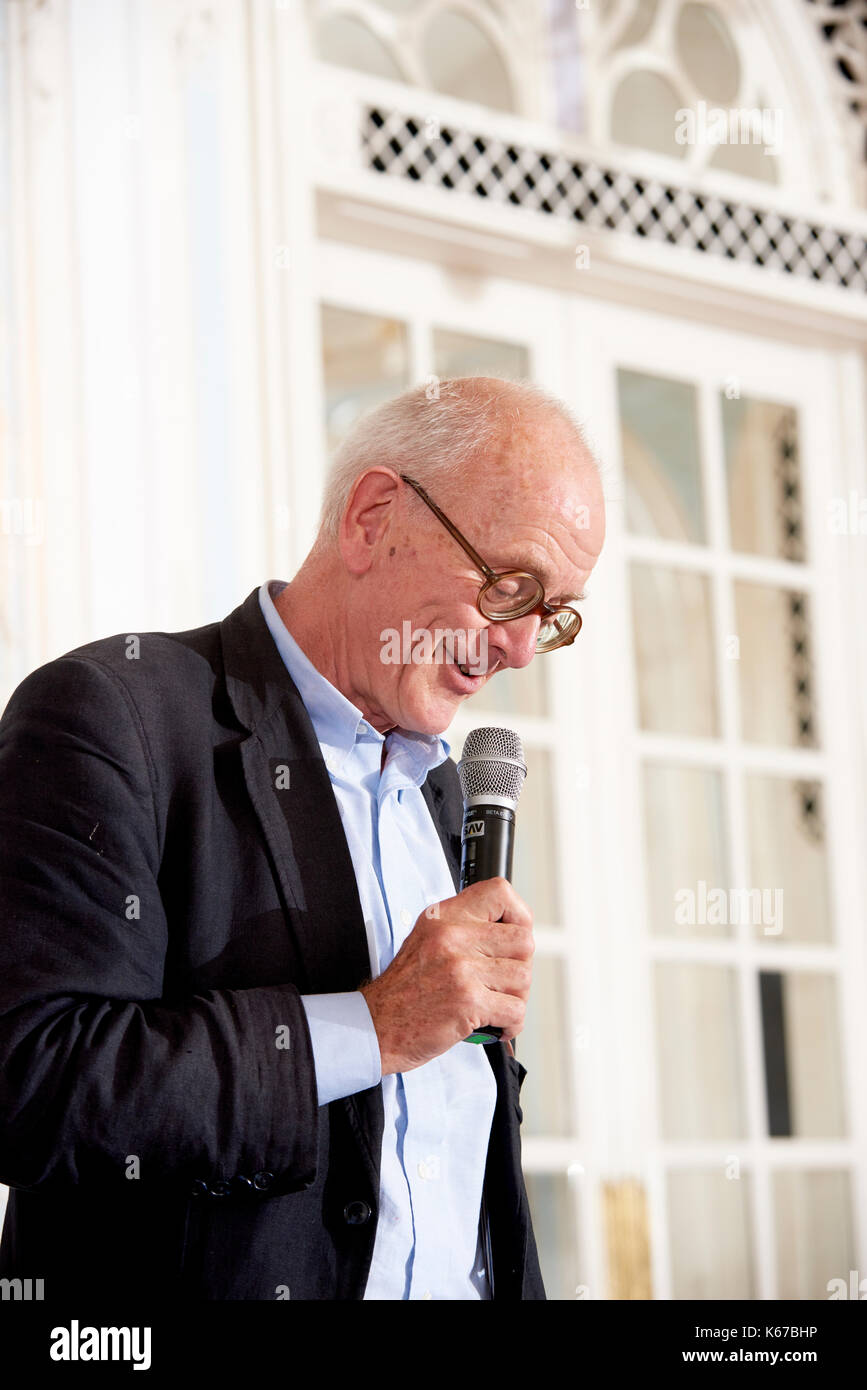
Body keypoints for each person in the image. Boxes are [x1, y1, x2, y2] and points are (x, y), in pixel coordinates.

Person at [0, 376, 605, 1301]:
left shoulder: (442, 791)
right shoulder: (116, 717)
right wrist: (371, 1025)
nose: (521, 649)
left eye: (550, 615)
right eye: (508, 585)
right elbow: (33, 1084)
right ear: (371, 517)